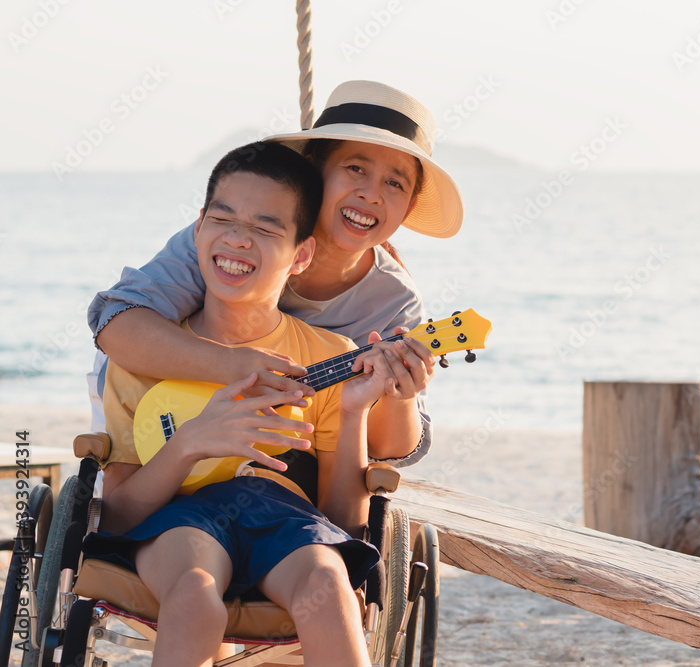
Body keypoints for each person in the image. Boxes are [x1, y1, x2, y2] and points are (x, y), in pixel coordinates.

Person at [83, 141, 414, 666]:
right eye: (223, 219)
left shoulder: (329, 356)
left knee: (328, 589)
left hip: (283, 515)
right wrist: (190, 444)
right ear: (198, 230)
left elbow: (340, 522)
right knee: (193, 595)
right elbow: (119, 518)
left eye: (266, 229)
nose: (238, 239)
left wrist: (352, 414)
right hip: (177, 520)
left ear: (301, 254)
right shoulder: (141, 356)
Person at [87, 80, 464, 465]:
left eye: (394, 183)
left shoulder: (393, 299)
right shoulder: (231, 241)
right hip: (163, 420)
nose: (371, 194)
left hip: (289, 455)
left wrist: (400, 396)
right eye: (355, 168)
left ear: (409, 206)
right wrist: (237, 368)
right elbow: (117, 325)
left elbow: (390, 452)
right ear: (313, 170)